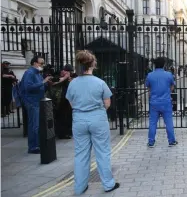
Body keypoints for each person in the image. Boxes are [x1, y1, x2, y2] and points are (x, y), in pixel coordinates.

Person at [65, 50, 119, 195]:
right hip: (97, 118)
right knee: (102, 152)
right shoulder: (100, 82)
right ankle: (108, 184)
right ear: (93, 63)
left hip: (79, 119)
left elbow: (71, 103)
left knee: (81, 154)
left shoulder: (73, 83)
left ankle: (80, 187)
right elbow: (107, 103)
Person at [20, 56, 52, 154]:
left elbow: (41, 86)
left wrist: (48, 83)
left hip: (38, 101)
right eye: (41, 63)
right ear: (34, 63)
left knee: (37, 124)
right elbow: (28, 87)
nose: (42, 65)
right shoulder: (29, 73)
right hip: (32, 102)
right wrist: (43, 82)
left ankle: (37, 144)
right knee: (34, 125)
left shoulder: (38, 73)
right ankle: (33, 147)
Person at [145, 57, 177, 148]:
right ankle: (171, 141)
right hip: (166, 102)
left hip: (154, 102)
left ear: (155, 65)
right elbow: (172, 86)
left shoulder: (150, 75)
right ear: (164, 64)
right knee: (169, 122)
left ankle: (151, 142)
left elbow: (148, 88)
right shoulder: (168, 74)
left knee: (152, 123)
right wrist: (167, 92)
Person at [47, 64, 77, 139]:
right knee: (61, 117)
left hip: (69, 101)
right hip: (59, 101)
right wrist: (64, 78)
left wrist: (71, 79)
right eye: (64, 70)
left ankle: (68, 132)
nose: (64, 72)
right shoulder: (57, 76)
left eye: (67, 71)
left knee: (68, 117)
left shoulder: (73, 77)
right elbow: (53, 82)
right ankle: (61, 133)